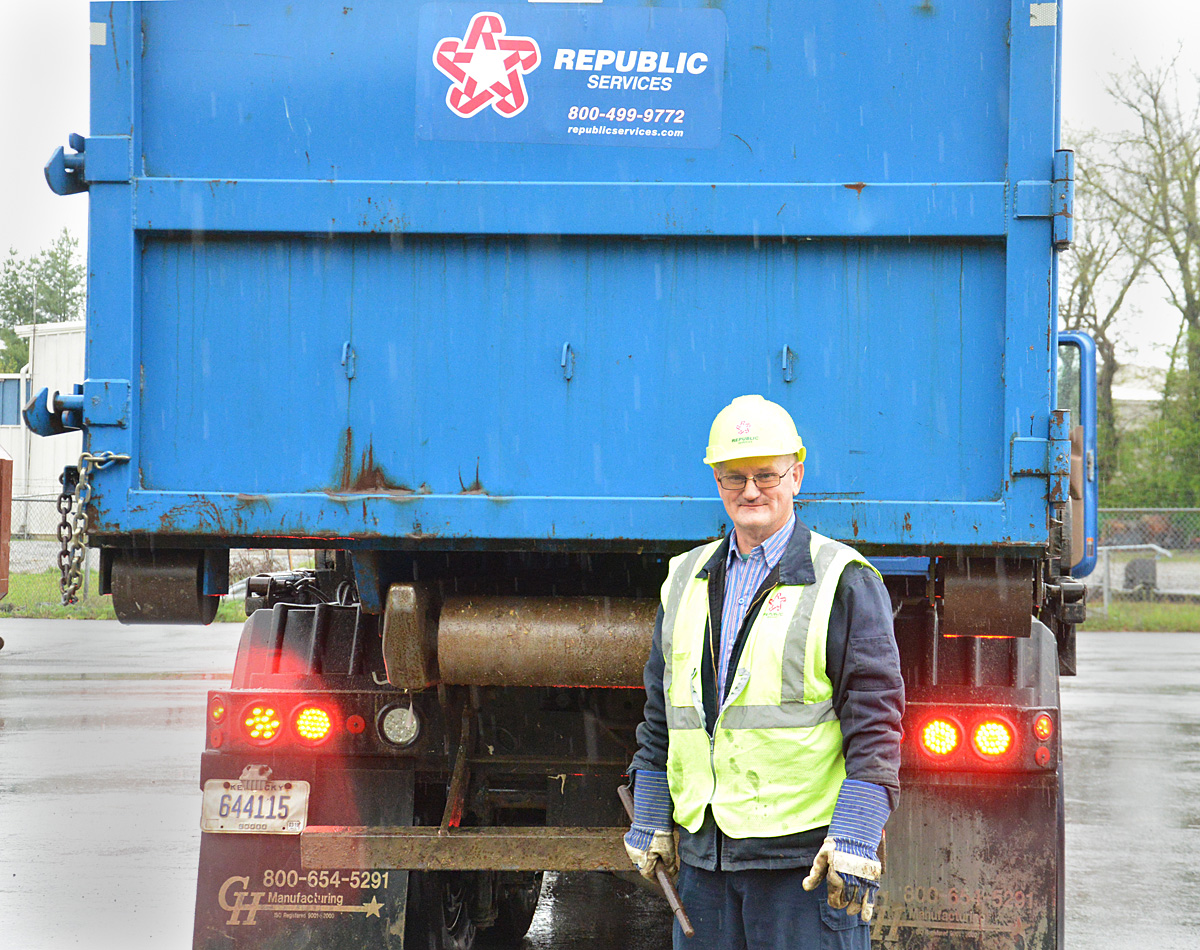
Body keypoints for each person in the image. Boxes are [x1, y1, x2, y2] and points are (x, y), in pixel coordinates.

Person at [624, 394, 904, 949]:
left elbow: (876, 721)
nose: (750, 491)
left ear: (796, 475)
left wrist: (856, 832)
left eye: (766, 475)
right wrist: (651, 806)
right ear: (718, 481)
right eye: (735, 477)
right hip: (705, 863)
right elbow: (664, 710)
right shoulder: (684, 579)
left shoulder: (842, 579)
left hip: (802, 867)